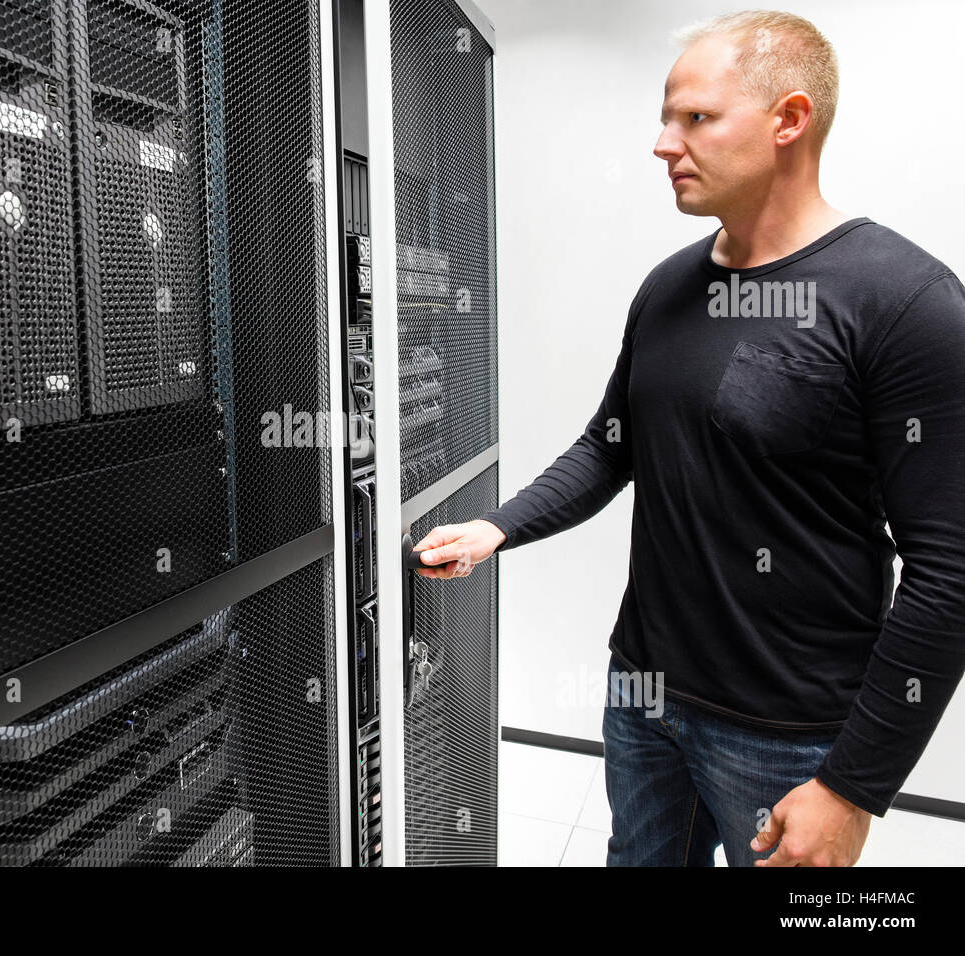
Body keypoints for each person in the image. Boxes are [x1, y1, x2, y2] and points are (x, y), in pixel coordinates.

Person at [412, 9, 965, 866]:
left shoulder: (905, 302)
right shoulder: (667, 288)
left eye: (695, 118)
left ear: (789, 120)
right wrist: (500, 526)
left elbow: (950, 569)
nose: (664, 143)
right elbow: (610, 445)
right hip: (642, 690)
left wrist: (855, 785)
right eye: (665, 118)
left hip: (788, 733)